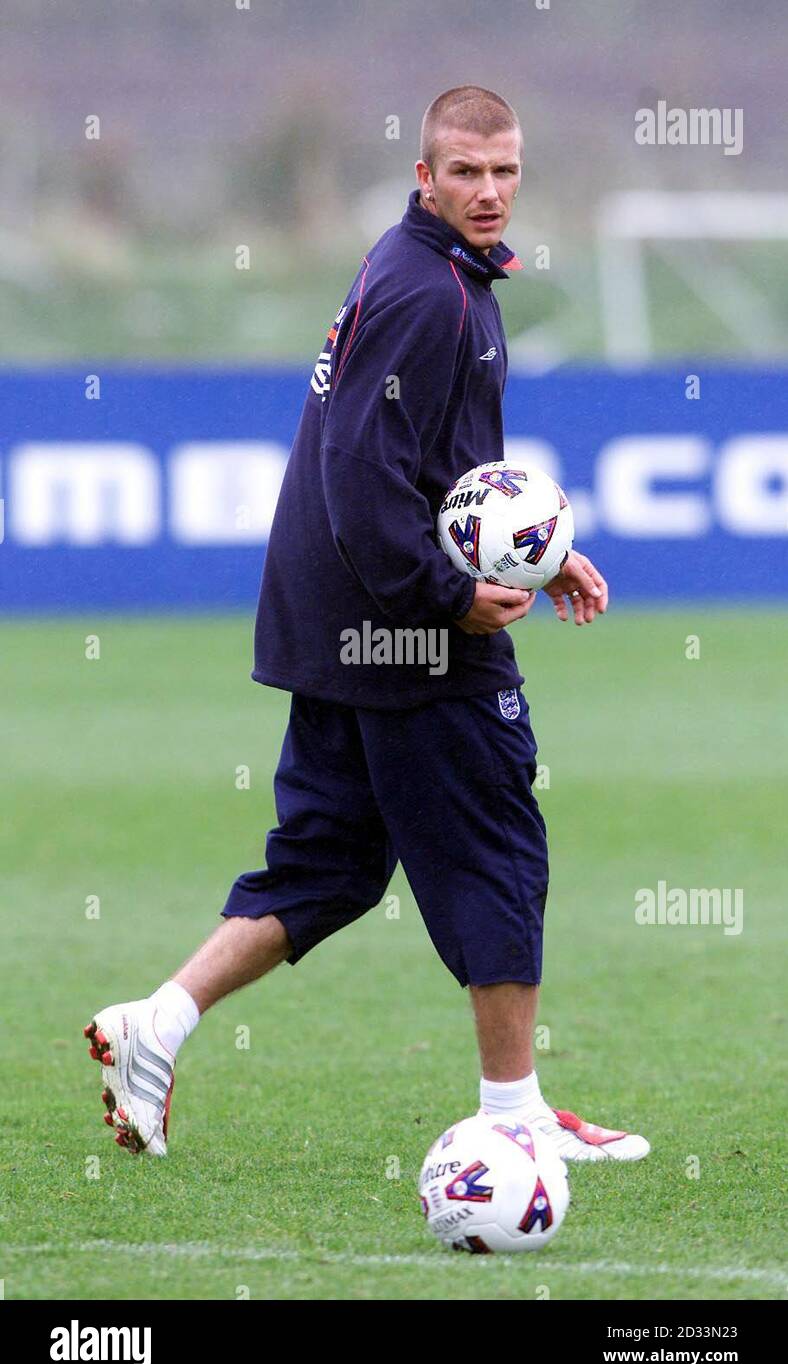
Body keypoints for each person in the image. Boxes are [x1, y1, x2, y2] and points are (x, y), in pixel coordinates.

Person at [85, 85, 649, 1164]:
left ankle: (153, 1024)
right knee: (495, 845)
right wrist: (446, 599)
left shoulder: (437, 276)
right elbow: (359, 473)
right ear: (422, 175)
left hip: (345, 621)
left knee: (332, 862)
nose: (488, 192)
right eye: (466, 172)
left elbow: (435, 473)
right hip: (402, 629)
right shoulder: (426, 295)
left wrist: (535, 551)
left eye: (505, 172)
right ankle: (514, 1119)